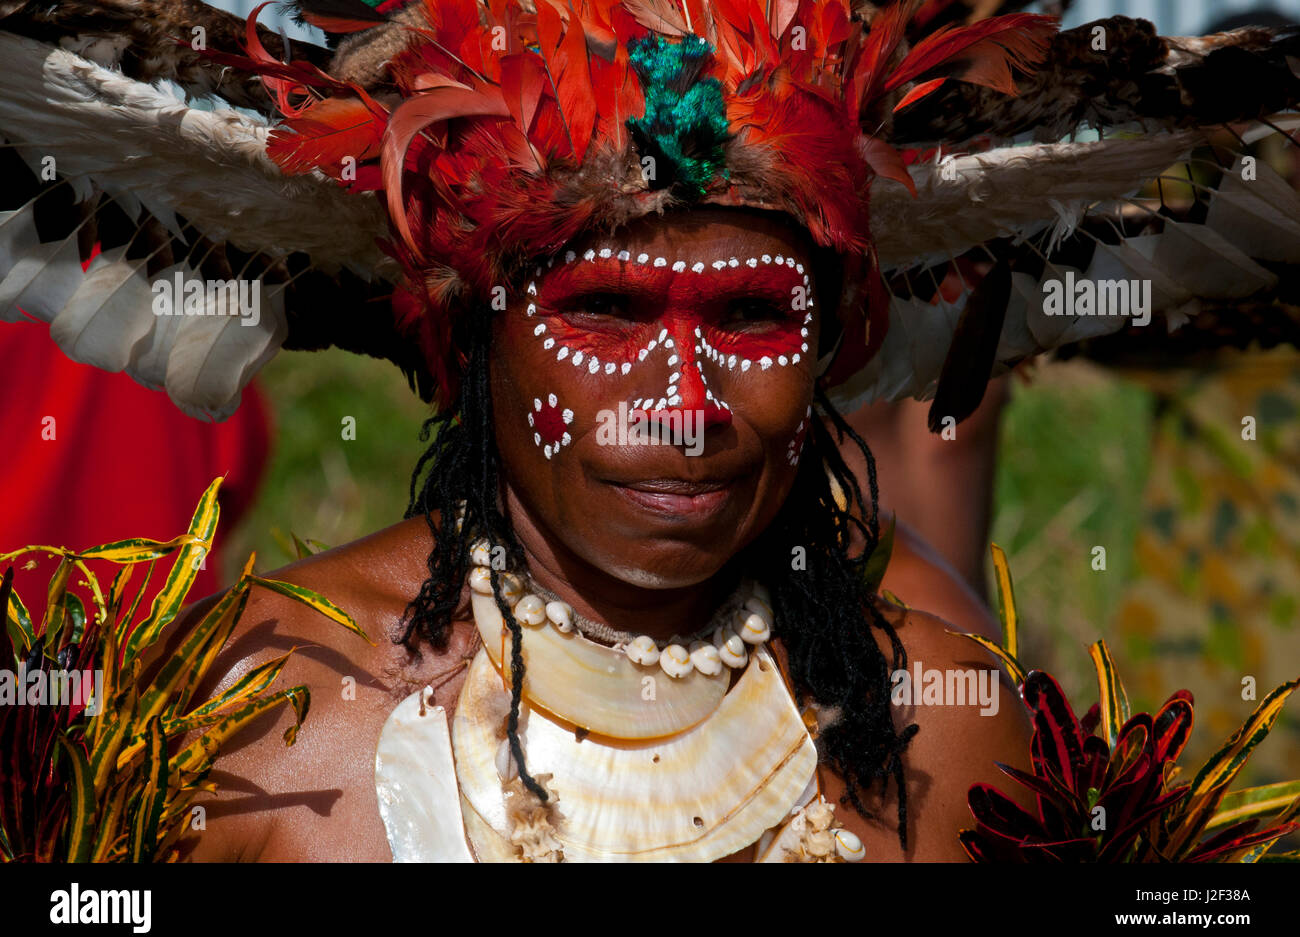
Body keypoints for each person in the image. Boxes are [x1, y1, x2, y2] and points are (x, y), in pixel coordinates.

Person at [3, 0, 1296, 862]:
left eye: (748, 316)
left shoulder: (945, 723)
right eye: (606, 313)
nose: (683, 399)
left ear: (836, 343)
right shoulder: (260, 717)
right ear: (475, 335)